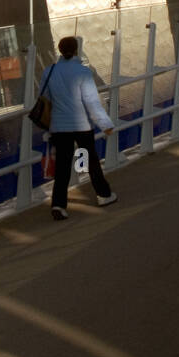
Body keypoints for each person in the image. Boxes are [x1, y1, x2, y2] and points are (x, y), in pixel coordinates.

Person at [40, 35, 118, 220]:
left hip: (59, 127)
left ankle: (58, 205)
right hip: (81, 126)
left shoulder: (49, 71)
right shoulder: (83, 72)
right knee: (90, 162)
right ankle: (104, 195)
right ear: (76, 50)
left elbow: (44, 98)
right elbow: (91, 102)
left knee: (63, 167)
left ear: (59, 50)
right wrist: (105, 124)